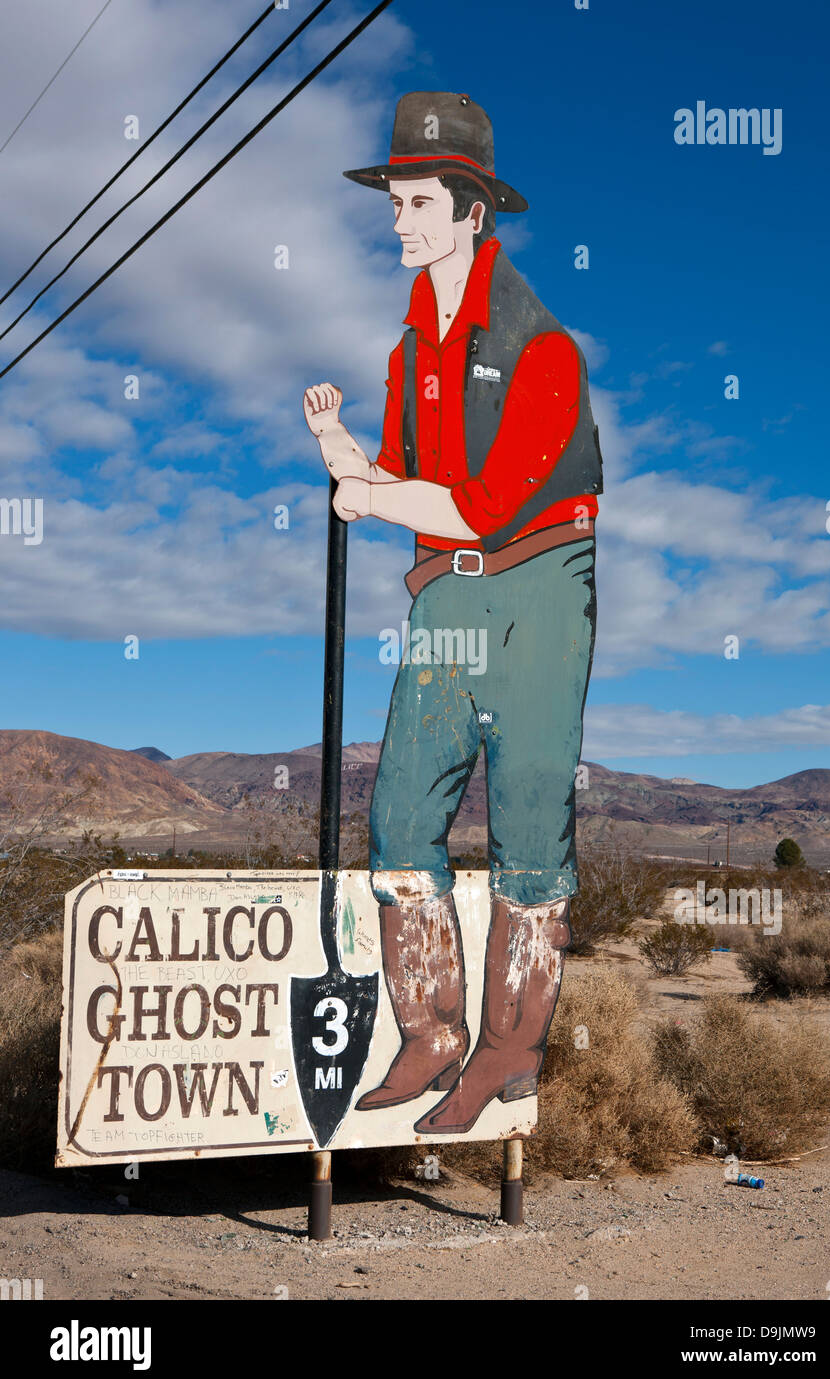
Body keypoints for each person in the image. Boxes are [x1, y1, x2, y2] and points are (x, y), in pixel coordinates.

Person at [304, 92, 602, 1135]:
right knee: (400, 816)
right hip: (444, 586)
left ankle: (508, 1054)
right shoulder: (405, 354)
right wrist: (356, 468)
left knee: (525, 817)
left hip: (536, 580)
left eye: (418, 201)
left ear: (470, 210)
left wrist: (374, 497)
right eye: (395, 201)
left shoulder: (539, 348)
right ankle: (427, 1034)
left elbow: (480, 500)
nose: (399, 221)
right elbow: (406, 479)